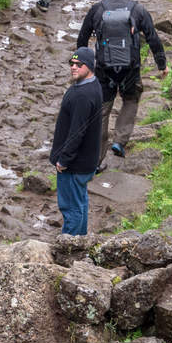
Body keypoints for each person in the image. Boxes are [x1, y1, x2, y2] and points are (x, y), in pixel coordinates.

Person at [77, 0, 167, 165]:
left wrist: (81, 65)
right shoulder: (138, 9)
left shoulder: (98, 9)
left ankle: (96, 159)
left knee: (101, 110)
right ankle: (120, 140)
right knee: (131, 99)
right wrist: (162, 65)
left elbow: (82, 38)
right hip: (130, 68)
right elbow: (153, 39)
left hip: (103, 68)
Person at [49, 47, 102, 237]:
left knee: (71, 207)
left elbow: (77, 132)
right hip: (84, 162)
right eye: (71, 63)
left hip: (74, 164)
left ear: (89, 66)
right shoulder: (92, 85)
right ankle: (80, 242)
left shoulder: (83, 95)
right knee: (80, 202)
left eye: (79, 65)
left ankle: (69, 249)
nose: (73, 67)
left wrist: (64, 160)